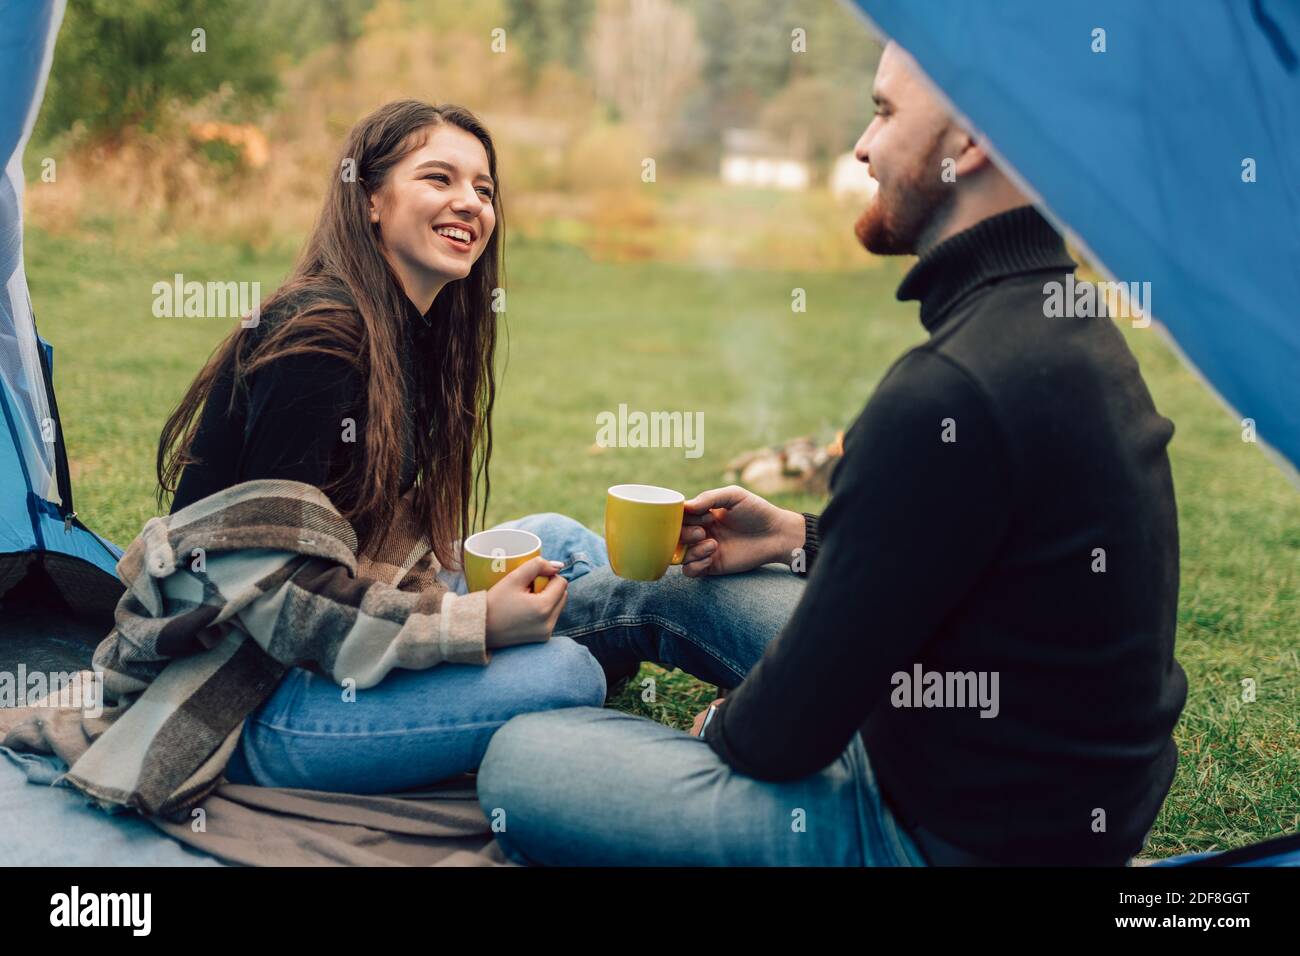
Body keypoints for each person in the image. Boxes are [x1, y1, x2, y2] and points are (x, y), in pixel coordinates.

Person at [476, 42, 1188, 867]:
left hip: (947, 833)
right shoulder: (1062, 324)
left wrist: (723, 726)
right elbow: (957, 562)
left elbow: (780, 740)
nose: (862, 147)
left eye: (884, 113)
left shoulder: (952, 387)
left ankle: (511, 672)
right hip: (1029, 774)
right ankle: (497, 629)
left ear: (969, 142)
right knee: (678, 585)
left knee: (521, 762)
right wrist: (796, 538)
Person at [156, 100, 609, 794]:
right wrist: (473, 622)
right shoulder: (318, 341)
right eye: (438, 178)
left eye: (484, 189)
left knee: (563, 541)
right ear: (369, 199)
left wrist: (472, 618)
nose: (471, 203)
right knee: (568, 673)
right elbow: (272, 597)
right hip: (247, 693)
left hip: (351, 614)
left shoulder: (411, 330)